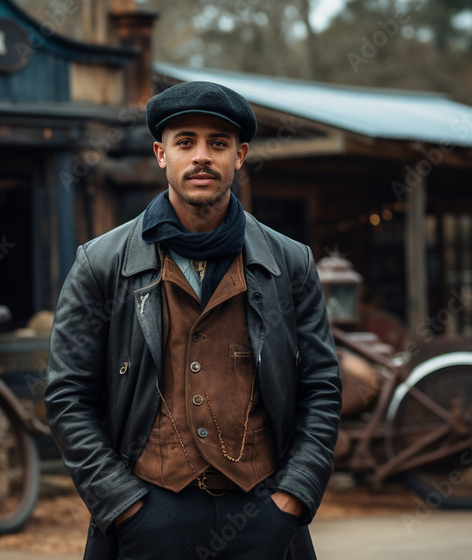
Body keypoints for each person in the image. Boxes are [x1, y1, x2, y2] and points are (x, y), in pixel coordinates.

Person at [45, 81, 342, 560]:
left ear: (240, 156)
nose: (201, 156)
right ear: (162, 154)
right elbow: (67, 395)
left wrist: (294, 496)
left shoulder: (291, 263)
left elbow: (322, 385)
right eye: (186, 142)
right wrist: (122, 504)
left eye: (218, 144)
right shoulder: (101, 263)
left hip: (264, 514)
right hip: (150, 518)